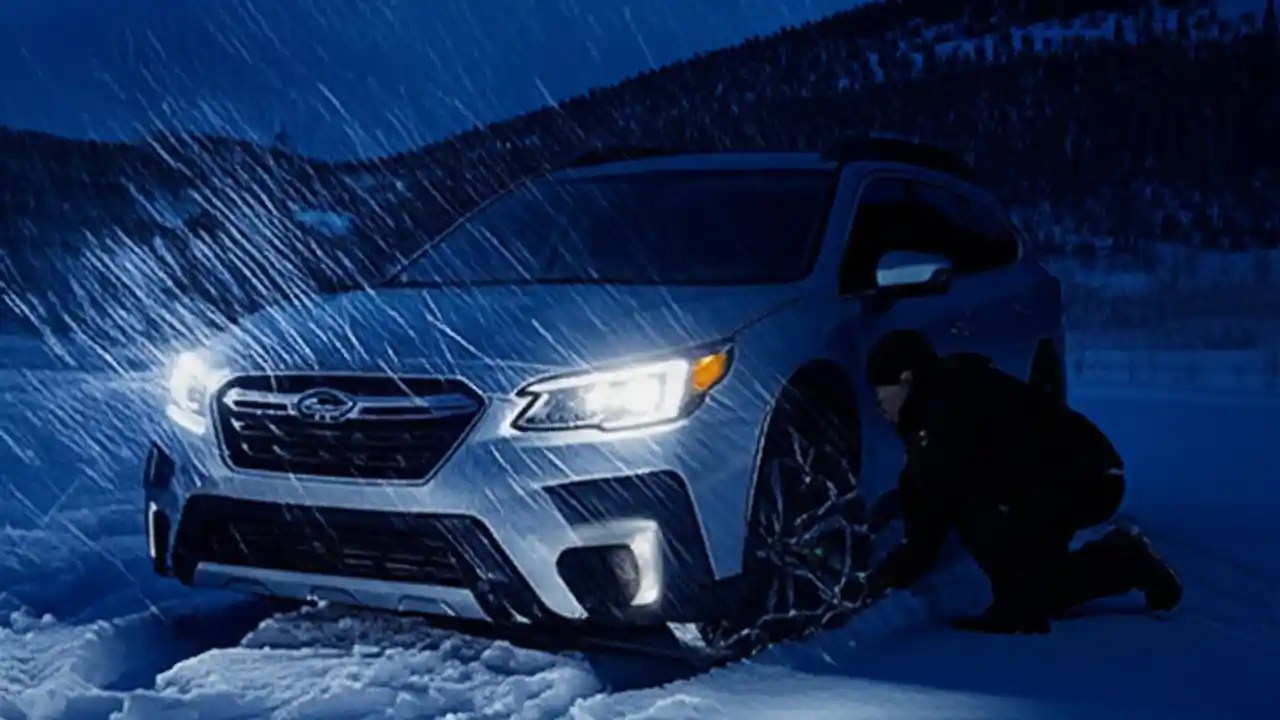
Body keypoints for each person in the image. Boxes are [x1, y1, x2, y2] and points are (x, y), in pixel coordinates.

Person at [863, 330, 1183, 634]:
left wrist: (885, 578)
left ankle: (1021, 604)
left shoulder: (950, 410)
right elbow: (924, 506)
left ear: (907, 378)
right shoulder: (936, 408)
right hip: (1058, 483)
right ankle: (1124, 560)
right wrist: (888, 576)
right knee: (1044, 587)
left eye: (881, 392)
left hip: (1085, 482)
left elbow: (939, 510)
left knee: (976, 513)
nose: (879, 405)